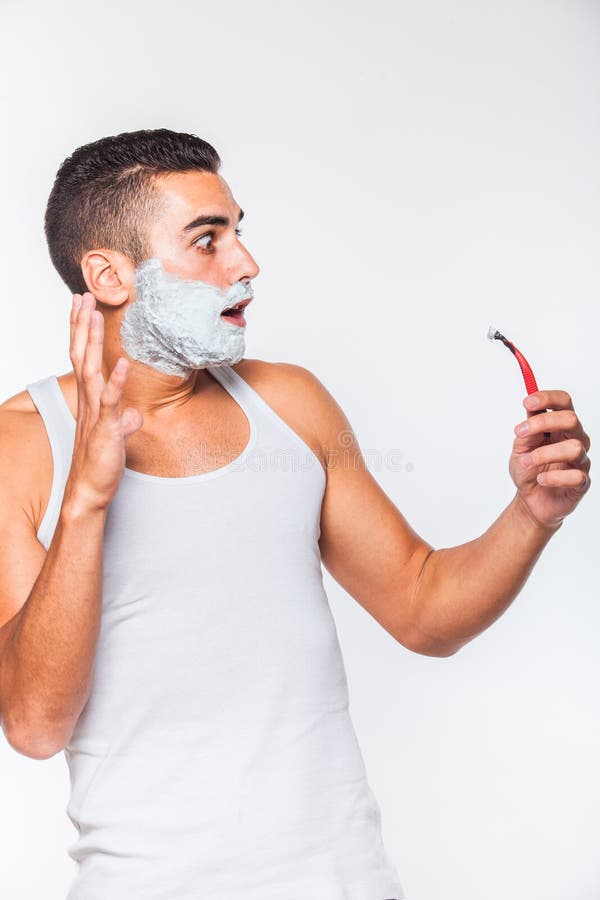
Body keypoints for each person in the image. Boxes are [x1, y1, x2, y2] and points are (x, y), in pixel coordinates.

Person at [0, 128, 591, 900]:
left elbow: (424, 608)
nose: (245, 263)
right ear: (110, 275)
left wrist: (535, 512)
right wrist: (87, 499)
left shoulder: (292, 403)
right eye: (207, 240)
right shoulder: (21, 446)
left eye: (239, 231)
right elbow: (35, 726)